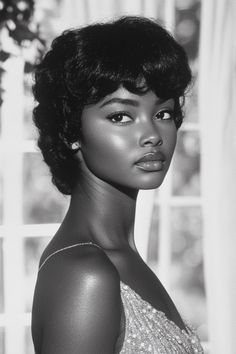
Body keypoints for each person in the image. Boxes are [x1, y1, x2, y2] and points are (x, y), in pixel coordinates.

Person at [31, 16, 204, 354]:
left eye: (163, 113)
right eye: (120, 116)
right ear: (70, 131)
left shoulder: (119, 259)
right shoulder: (84, 274)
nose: (152, 135)